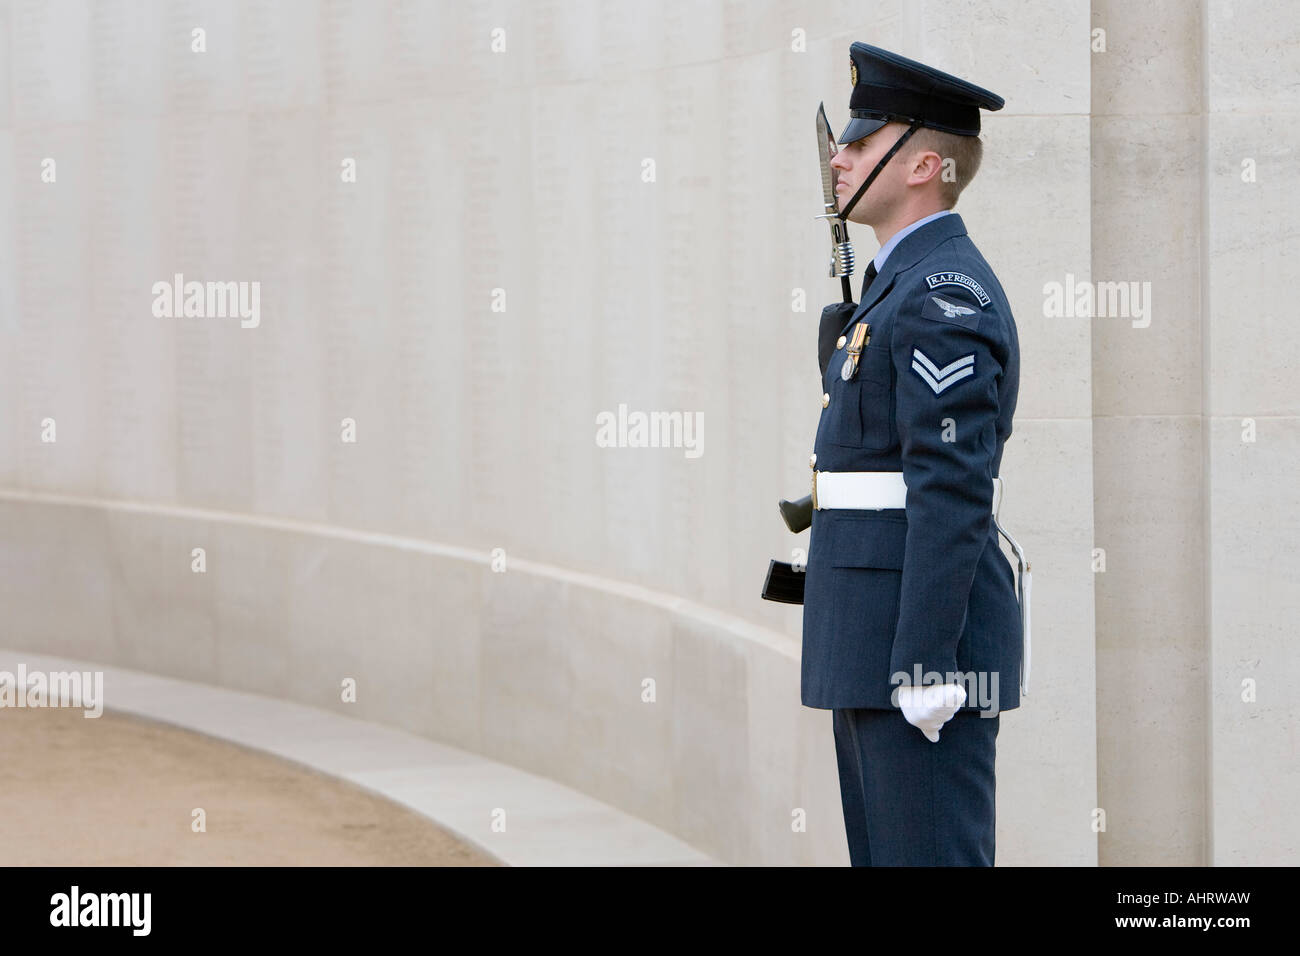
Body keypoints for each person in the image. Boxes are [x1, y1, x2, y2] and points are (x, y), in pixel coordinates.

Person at [801, 42, 1025, 866]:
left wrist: (926, 661)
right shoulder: (897, 289)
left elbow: (952, 487)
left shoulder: (942, 295)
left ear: (925, 163)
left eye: (861, 141)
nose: (839, 156)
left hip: (918, 656)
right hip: (871, 639)